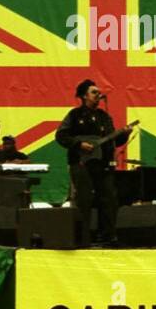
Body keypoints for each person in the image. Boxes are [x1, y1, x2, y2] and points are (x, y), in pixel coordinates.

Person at [55, 80, 134, 245]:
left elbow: (114, 141)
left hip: (103, 165)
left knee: (109, 199)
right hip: (81, 164)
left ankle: (108, 236)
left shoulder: (104, 117)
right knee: (84, 200)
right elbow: (61, 136)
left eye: (99, 93)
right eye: (94, 92)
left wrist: (125, 134)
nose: (98, 95)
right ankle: (83, 238)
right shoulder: (74, 115)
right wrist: (79, 144)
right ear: (84, 96)